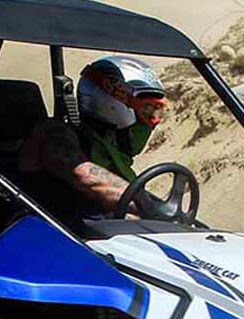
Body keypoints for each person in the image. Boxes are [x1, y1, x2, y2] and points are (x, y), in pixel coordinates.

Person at [18, 55, 167, 224]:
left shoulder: (111, 155)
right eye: (146, 109)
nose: (152, 122)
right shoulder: (53, 132)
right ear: (113, 104)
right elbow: (86, 175)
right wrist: (151, 206)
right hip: (43, 240)